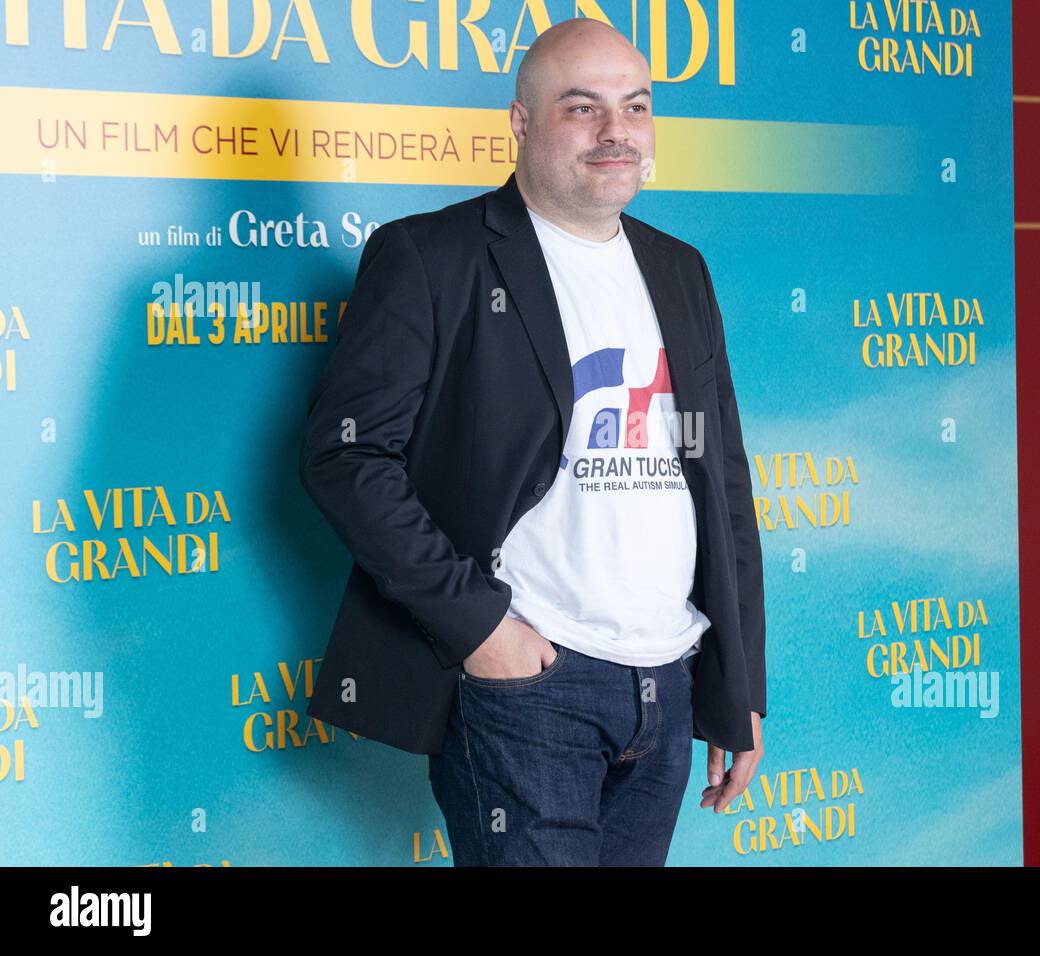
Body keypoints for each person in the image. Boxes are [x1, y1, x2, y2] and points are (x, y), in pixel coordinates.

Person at [299, 17, 765, 866]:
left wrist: (736, 686)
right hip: (532, 684)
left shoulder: (681, 270)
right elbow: (348, 456)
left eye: (635, 107)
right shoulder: (431, 257)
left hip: (666, 676)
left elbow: (719, 475)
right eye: (581, 108)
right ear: (520, 122)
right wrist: (484, 629)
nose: (615, 132)